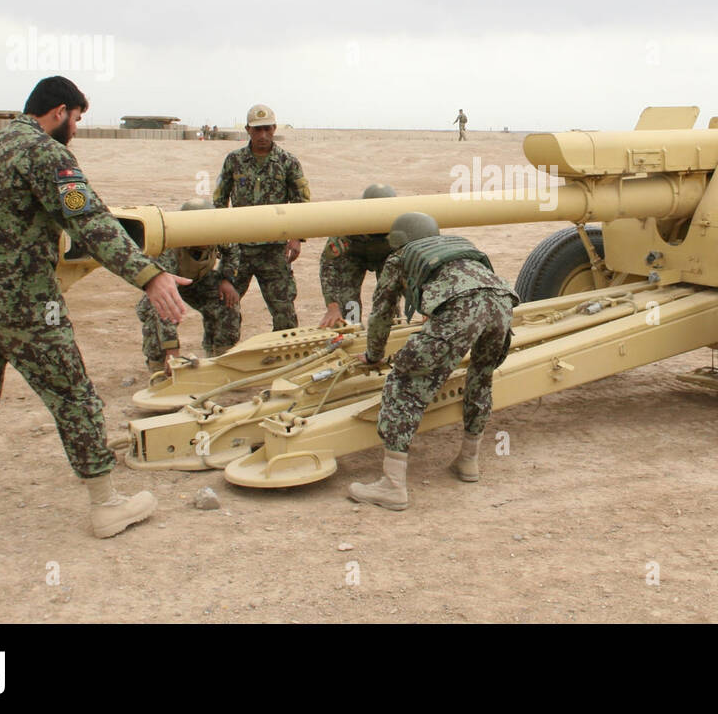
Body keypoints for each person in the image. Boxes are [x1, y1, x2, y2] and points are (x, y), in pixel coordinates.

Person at [0, 76, 188, 547]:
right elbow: (89, 220)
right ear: (59, 112)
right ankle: (106, 506)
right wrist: (148, 274)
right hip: (28, 309)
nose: (75, 129)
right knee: (75, 400)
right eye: (76, 119)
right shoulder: (47, 155)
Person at [348, 212, 518, 509]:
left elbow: (382, 313)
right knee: (481, 378)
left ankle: (393, 485)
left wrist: (374, 355)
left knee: (404, 383)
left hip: (461, 309)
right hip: (502, 304)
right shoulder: (457, 247)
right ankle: (468, 461)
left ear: (398, 240)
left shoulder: (400, 258)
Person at [214, 104, 311, 330]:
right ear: (248, 130)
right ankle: (221, 351)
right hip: (239, 250)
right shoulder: (234, 161)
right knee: (223, 306)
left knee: (284, 310)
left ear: (275, 128)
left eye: (267, 129)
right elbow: (219, 200)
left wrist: (296, 238)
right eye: (257, 130)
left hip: (274, 250)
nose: (263, 135)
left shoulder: (288, 162)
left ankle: (286, 355)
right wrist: (221, 240)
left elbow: (301, 202)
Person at [136, 197, 241, 373]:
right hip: (167, 284)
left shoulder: (218, 233)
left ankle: (221, 353)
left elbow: (233, 250)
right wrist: (172, 351)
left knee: (226, 300)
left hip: (197, 281)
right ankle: (158, 364)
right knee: (157, 311)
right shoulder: (170, 247)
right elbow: (165, 298)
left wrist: (226, 279)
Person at [319, 184, 398, 328]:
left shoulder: (403, 224)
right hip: (353, 256)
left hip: (387, 256)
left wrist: (426, 307)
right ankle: (353, 333)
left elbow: (415, 266)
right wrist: (332, 306)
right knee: (349, 306)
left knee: (389, 302)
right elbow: (329, 264)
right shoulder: (349, 220)